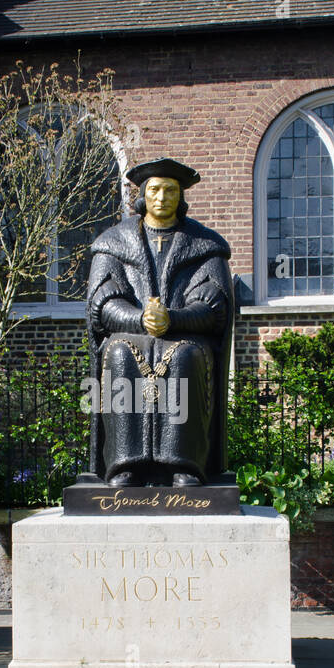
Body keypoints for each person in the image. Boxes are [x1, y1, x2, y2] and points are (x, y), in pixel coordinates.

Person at [84, 158, 234, 486]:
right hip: (131, 332)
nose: (161, 197)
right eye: (154, 189)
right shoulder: (112, 243)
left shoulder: (206, 246)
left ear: (180, 197)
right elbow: (102, 302)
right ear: (142, 195)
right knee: (120, 352)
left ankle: (183, 464)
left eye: (170, 190)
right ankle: (124, 463)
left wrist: (173, 318)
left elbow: (215, 305)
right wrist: (140, 318)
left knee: (184, 356)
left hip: (184, 335)